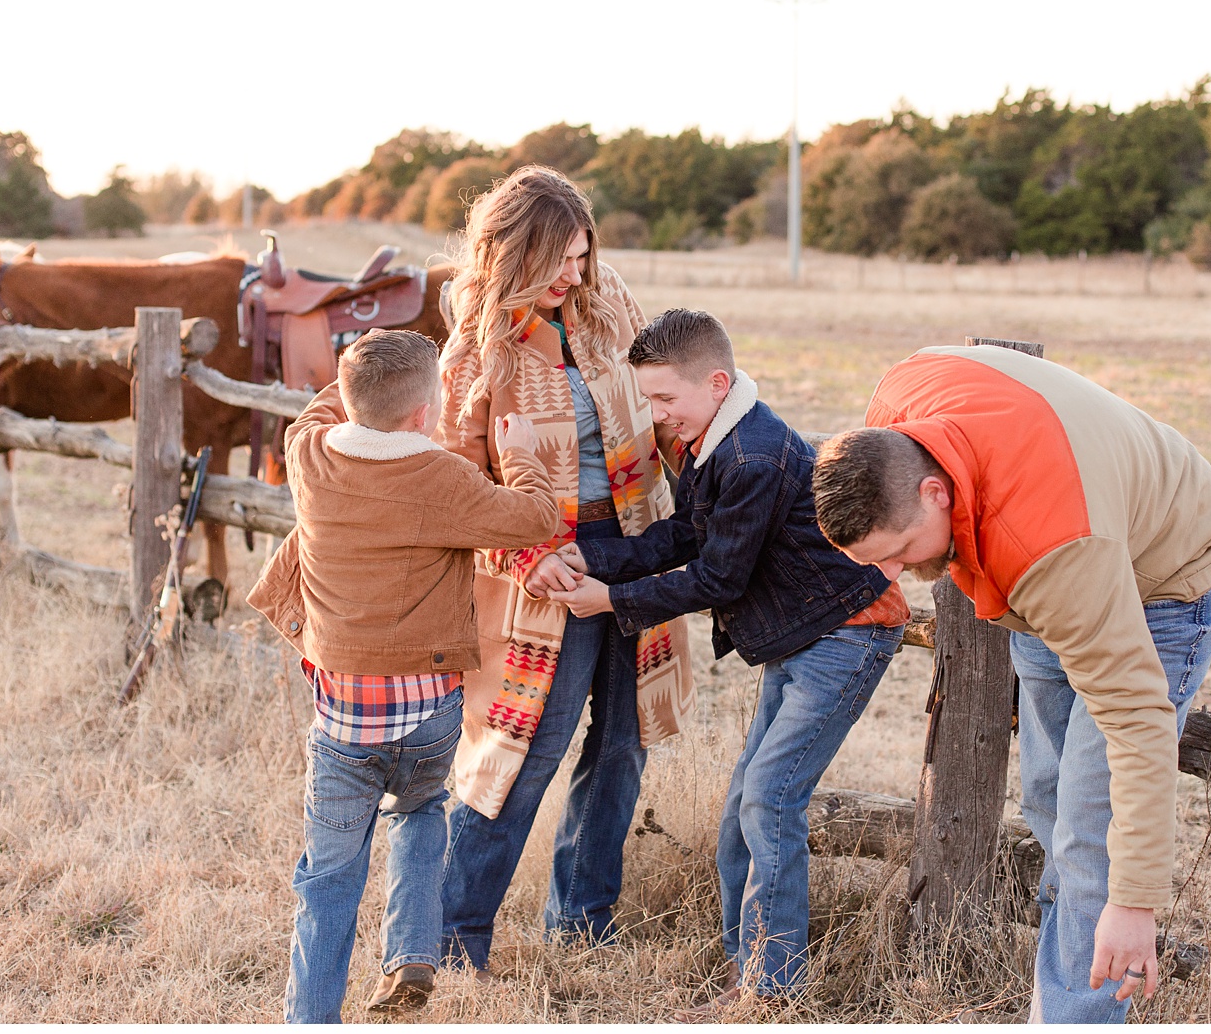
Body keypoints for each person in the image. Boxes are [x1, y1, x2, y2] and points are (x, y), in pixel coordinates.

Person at [810, 344, 1211, 1024]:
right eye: (873, 561)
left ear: (934, 490)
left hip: (1157, 578)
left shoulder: (1053, 548)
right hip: (1044, 562)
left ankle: (1072, 1008)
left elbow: (1137, 723)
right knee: (1050, 799)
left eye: (897, 550)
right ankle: (1062, 982)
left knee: (1089, 836)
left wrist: (1133, 903)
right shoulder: (897, 407)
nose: (891, 575)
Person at [548, 309, 907, 1010]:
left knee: (772, 797)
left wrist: (610, 600)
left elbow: (717, 579)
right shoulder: (708, 441)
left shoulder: (754, 456)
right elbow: (683, 533)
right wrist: (591, 555)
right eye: (648, 399)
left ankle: (771, 993)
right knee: (747, 803)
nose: (655, 414)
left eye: (663, 399)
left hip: (847, 633)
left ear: (716, 382)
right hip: (798, 634)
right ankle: (749, 968)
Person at [246, 329, 559, 1022]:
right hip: (428, 716)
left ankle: (311, 1018)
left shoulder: (309, 455)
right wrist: (524, 456)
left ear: (347, 396)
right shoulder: (444, 477)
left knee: (326, 879)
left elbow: (316, 414)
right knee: (421, 810)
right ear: (429, 409)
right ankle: (413, 948)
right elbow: (536, 517)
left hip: (342, 721)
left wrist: (356, 376)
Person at [434, 166, 696, 972]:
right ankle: (454, 937)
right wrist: (525, 554)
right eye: (560, 259)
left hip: (638, 542)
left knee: (624, 739)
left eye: (583, 255)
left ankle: (581, 916)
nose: (574, 274)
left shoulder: (608, 299)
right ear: (515, 251)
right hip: (541, 567)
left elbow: (667, 399)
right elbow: (454, 487)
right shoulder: (476, 351)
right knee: (525, 749)